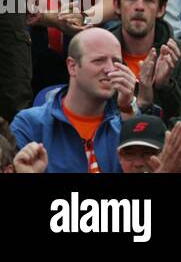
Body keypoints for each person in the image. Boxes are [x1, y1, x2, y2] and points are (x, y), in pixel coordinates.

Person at [11, 28, 133, 172]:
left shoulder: (124, 126)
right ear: (72, 66)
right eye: (99, 60)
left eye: (116, 62)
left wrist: (129, 112)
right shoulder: (29, 125)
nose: (110, 69)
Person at [106, 0, 181, 121]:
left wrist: (166, 87)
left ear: (161, 9)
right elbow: (92, 122)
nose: (139, 7)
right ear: (116, 5)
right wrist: (139, 105)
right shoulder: (99, 55)